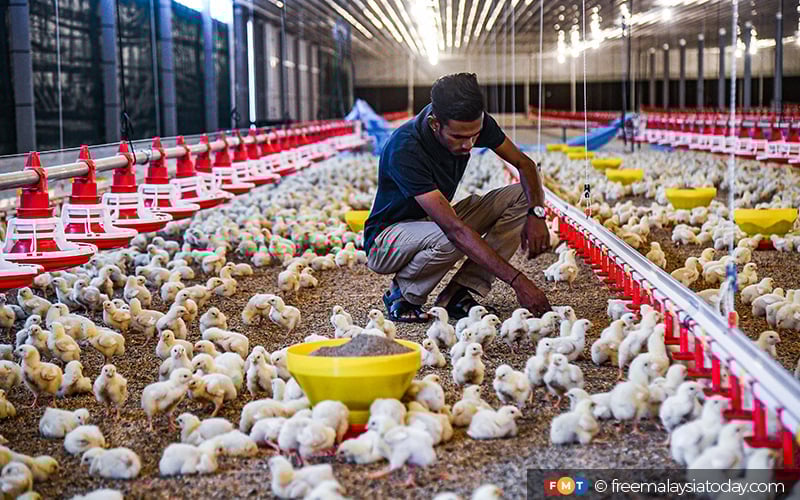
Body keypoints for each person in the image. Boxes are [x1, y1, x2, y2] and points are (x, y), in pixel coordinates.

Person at [363, 73, 553, 323]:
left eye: (474, 136)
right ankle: (403, 294)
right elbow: (454, 230)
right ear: (434, 124)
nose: (469, 144)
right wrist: (517, 281)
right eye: (460, 138)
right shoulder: (406, 147)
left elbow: (524, 164)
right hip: (386, 240)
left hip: (430, 223)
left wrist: (537, 213)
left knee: (521, 196)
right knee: (452, 237)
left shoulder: (472, 125)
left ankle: (458, 293)